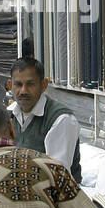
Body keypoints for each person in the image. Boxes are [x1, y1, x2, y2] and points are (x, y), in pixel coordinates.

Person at [7, 54, 81, 183]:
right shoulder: (9, 114)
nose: (23, 91)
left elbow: (58, 176)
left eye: (30, 84)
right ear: (10, 86)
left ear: (44, 85)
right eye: (18, 84)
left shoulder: (61, 119)